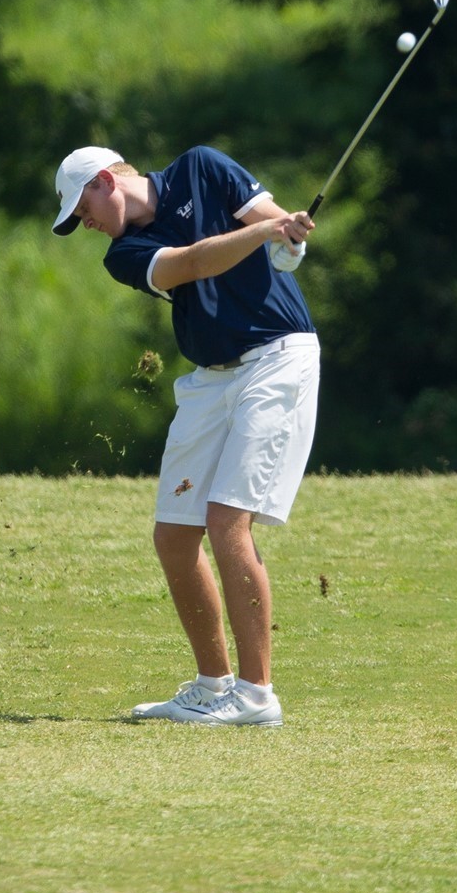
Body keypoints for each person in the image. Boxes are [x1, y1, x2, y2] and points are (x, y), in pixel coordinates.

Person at [52, 144, 319, 727]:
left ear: (105, 181)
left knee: (227, 523)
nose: (86, 224)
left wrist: (286, 233)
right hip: (209, 381)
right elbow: (194, 262)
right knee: (174, 535)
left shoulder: (204, 167)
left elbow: (272, 224)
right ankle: (211, 685)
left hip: (276, 359)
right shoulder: (124, 253)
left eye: (83, 209)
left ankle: (255, 697)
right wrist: (271, 229)